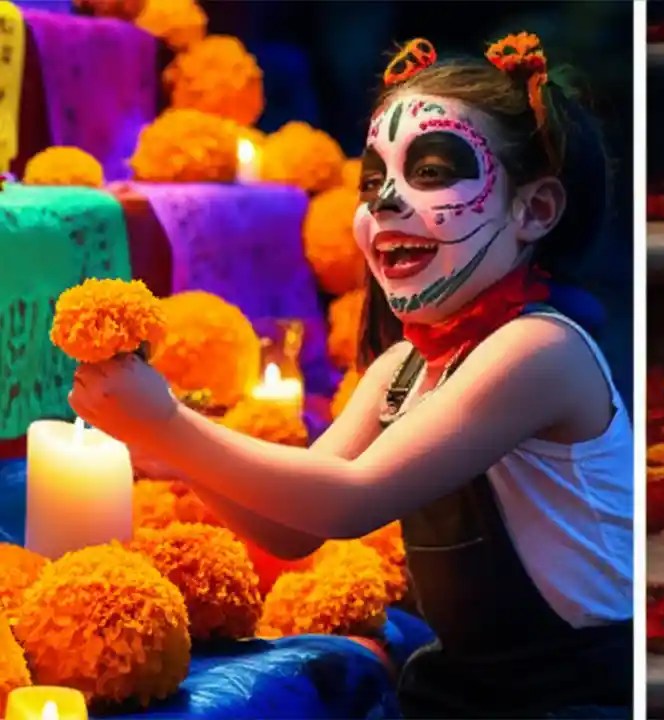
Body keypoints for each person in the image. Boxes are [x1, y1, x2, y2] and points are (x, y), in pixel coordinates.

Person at [69, 32, 633, 719]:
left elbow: (349, 500)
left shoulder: (540, 351)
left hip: (573, 697)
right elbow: (295, 530)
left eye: (430, 171)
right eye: (372, 180)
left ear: (534, 210)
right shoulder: (403, 368)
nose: (386, 201)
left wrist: (170, 422)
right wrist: (175, 457)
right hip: (473, 689)